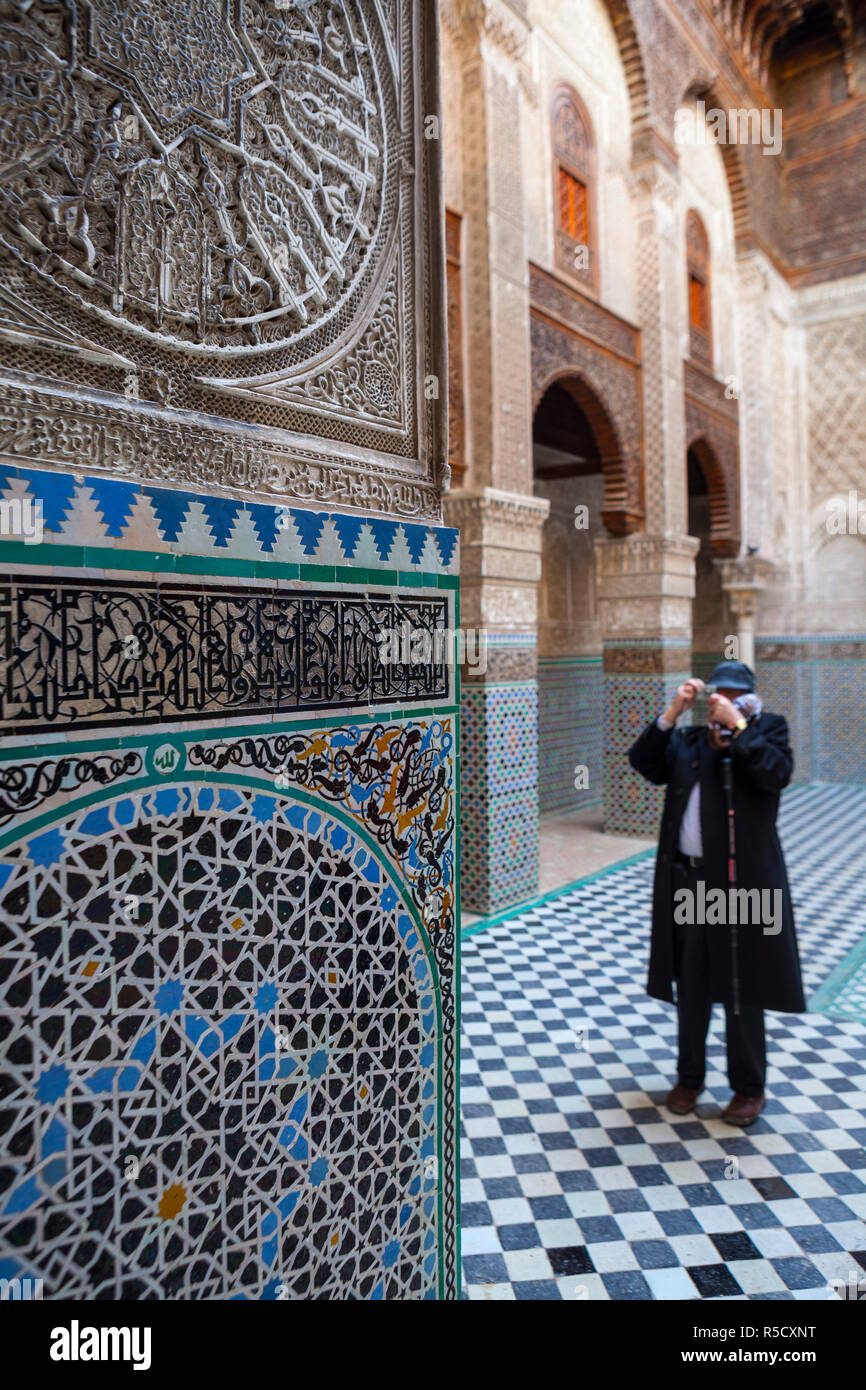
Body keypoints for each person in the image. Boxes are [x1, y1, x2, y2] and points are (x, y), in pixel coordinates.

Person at [628, 660, 805, 1126]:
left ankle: (748, 1089)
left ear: (746, 696)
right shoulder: (689, 739)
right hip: (692, 883)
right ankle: (689, 1078)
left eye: (731, 694)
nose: (720, 702)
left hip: (744, 886)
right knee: (693, 986)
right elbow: (644, 763)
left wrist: (739, 728)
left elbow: (775, 774)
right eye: (716, 695)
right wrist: (672, 711)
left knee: (743, 987)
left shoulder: (767, 731)